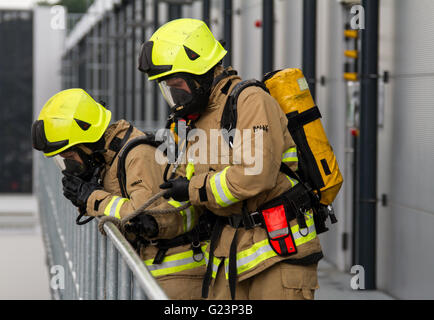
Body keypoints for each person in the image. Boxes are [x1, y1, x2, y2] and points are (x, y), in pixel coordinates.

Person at [137, 18, 323, 300]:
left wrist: (193, 189)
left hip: (279, 253)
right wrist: (149, 220)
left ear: (201, 75)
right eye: (167, 88)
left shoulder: (249, 101)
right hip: (230, 252)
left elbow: (254, 175)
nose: (174, 98)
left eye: (177, 86)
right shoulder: (197, 120)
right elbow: (183, 185)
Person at [31, 88, 208, 299]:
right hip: (153, 274)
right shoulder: (108, 157)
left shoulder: (137, 155)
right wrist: (86, 196)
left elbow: (142, 217)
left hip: (174, 277)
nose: (68, 165)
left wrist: (92, 198)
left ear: (86, 143)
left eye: (69, 156)